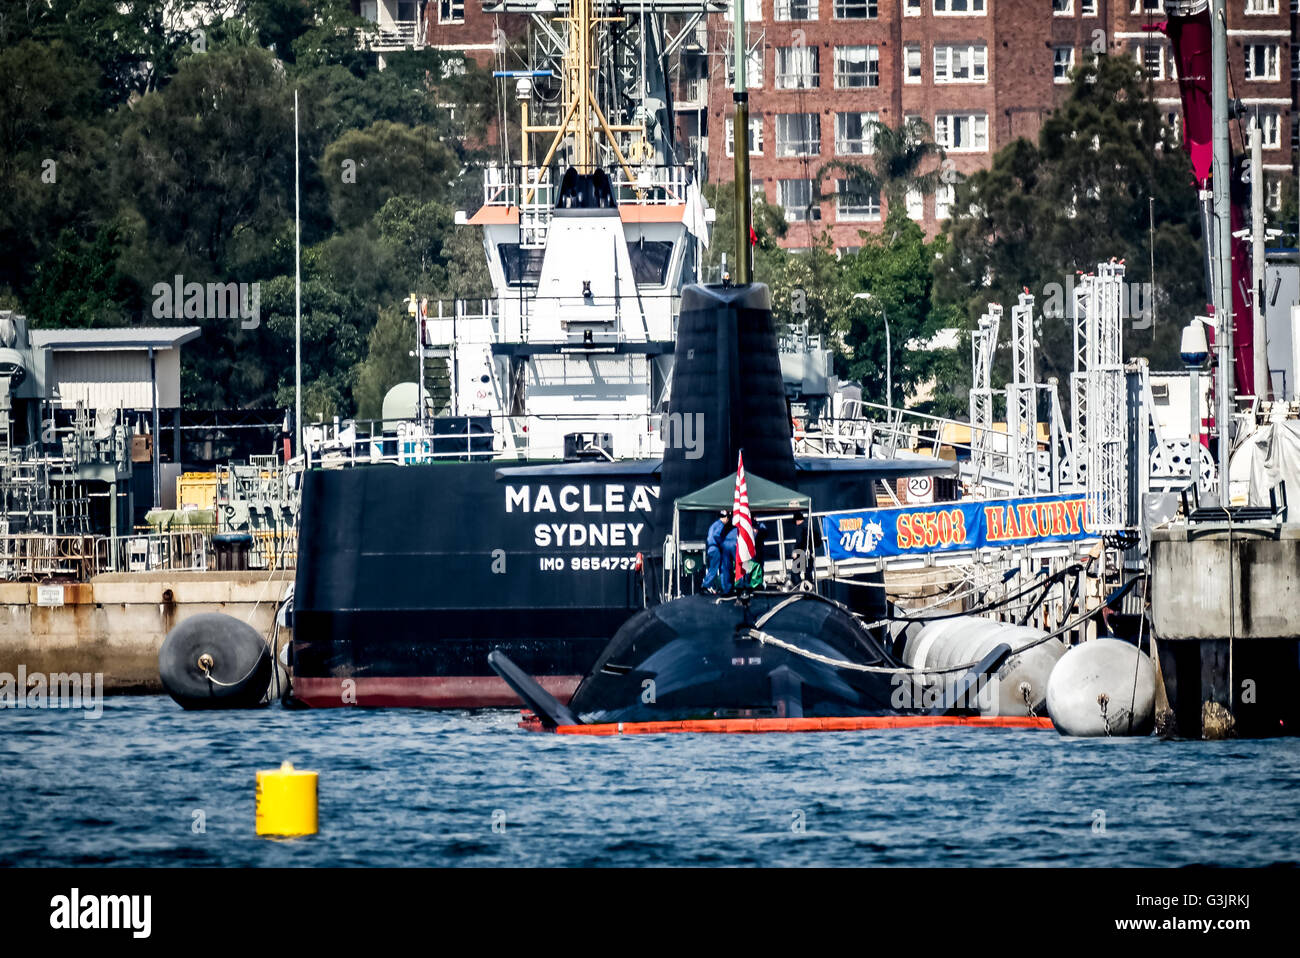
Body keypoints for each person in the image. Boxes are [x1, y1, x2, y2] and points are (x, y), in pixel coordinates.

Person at [701, 511, 731, 593]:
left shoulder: (713, 525)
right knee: (714, 569)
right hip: (716, 548)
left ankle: (724, 587)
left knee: (720, 568)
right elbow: (716, 535)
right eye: (728, 518)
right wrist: (723, 543)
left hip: (711, 548)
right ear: (725, 517)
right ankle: (705, 585)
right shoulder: (720, 525)